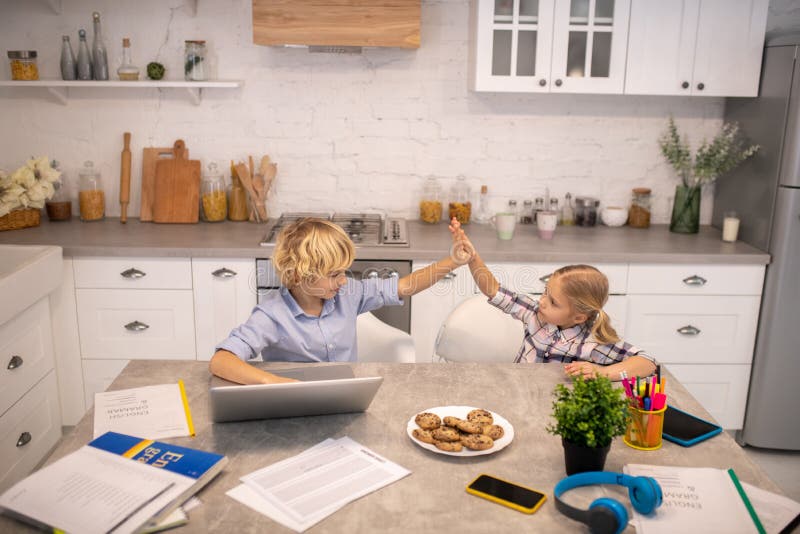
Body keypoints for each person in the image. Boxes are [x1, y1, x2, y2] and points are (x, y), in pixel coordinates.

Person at [209, 217, 474, 385]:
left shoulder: (349, 295)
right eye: (334, 274)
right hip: (292, 407)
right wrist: (275, 383)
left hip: (343, 401)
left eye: (344, 272)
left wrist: (453, 261)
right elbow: (221, 361)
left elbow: (404, 286)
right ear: (301, 275)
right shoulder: (271, 315)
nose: (344, 281)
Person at [449, 218, 656, 381]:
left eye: (554, 302)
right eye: (545, 291)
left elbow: (648, 363)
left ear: (578, 317)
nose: (543, 301)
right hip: (516, 391)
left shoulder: (592, 342)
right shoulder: (534, 314)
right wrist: (473, 257)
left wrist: (602, 372)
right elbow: (493, 289)